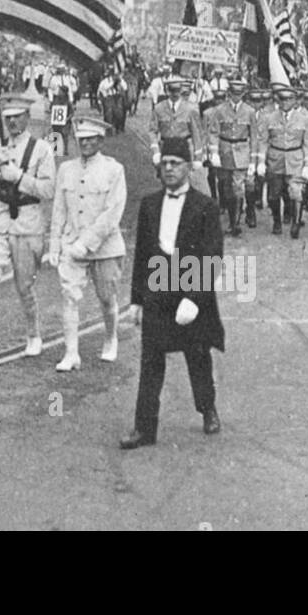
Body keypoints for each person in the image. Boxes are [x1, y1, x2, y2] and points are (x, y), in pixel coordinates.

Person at [119, 138, 225, 450]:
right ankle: (144, 428)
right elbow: (143, 257)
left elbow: (212, 255)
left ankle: (208, 409)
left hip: (191, 291)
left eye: (175, 163)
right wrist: (137, 300)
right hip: (157, 292)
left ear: (189, 168)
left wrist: (194, 298)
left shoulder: (205, 206)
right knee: (151, 360)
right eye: (164, 163)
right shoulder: (150, 205)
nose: (168, 169)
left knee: (197, 355)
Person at [0, 94, 57, 362]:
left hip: (27, 221)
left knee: (24, 285)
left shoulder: (41, 149)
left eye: (17, 117)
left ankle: (34, 334)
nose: (11, 122)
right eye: (7, 118)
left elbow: (48, 189)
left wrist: (19, 177)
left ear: (27, 117)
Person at [47, 112, 127, 371]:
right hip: (72, 244)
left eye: (91, 140)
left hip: (104, 247)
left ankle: (111, 337)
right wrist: (55, 244)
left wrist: (88, 241)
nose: (85, 145)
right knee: (69, 296)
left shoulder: (114, 170)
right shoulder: (66, 169)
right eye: (81, 140)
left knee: (106, 298)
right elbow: (59, 209)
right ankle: (71, 353)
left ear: (100, 141)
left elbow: (112, 213)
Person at [252, 85, 308, 238]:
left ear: (295, 101)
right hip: (275, 159)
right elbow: (263, 141)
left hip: (295, 159)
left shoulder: (305, 119)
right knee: (274, 195)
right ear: (277, 100)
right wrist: (261, 161)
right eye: (282, 99)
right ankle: (277, 221)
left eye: (289, 99)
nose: (285, 102)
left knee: (296, 193)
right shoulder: (269, 118)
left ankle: (295, 223)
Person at [205, 78, 254, 236]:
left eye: (239, 94)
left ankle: (235, 223)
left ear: (243, 94)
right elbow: (213, 132)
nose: (236, 97)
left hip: (242, 151)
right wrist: (213, 153)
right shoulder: (219, 110)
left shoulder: (249, 111)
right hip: (224, 151)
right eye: (233, 94)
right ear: (229, 94)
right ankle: (232, 218)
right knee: (226, 188)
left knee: (238, 187)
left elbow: (255, 136)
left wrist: (254, 160)